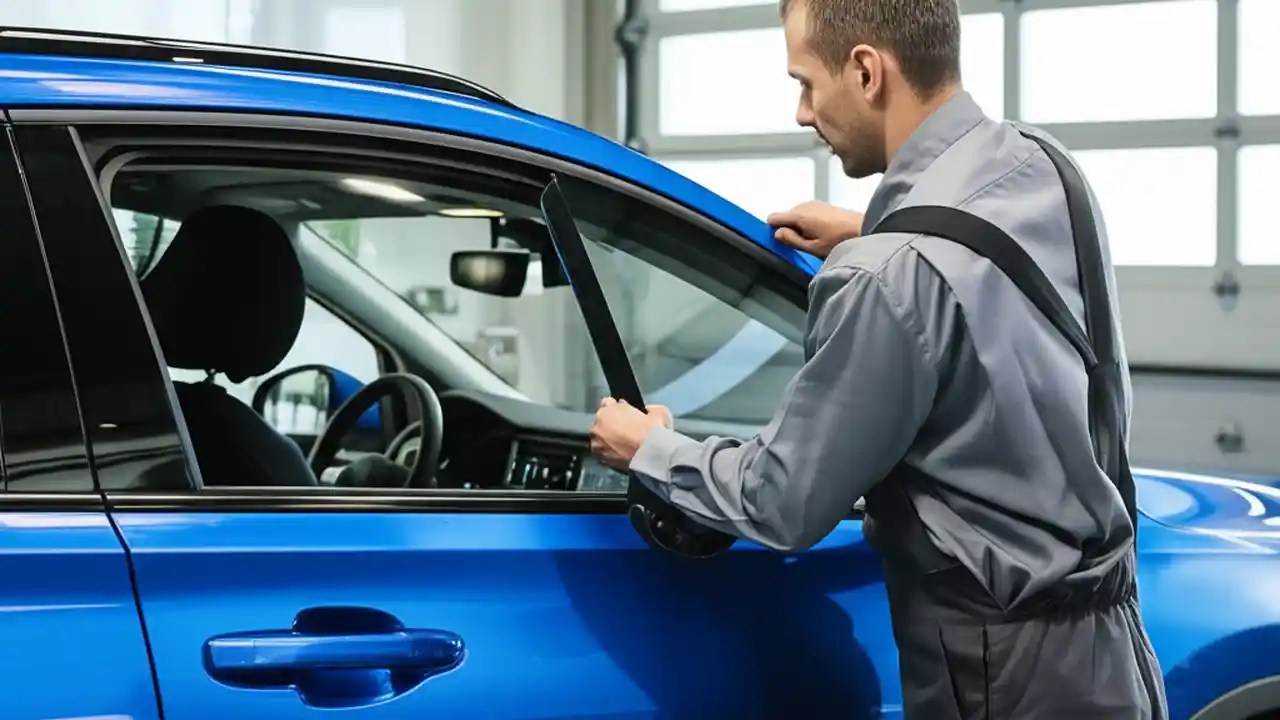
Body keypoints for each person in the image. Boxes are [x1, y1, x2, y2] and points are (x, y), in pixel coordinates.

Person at [588, 0, 1170, 718]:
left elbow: (783, 502)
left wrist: (650, 448)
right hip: (1118, 659)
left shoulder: (887, 275)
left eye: (806, 83)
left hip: (1001, 680)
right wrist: (876, 229)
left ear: (866, 72)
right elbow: (993, 272)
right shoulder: (1043, 166)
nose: (803, 112)